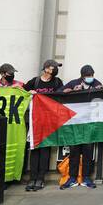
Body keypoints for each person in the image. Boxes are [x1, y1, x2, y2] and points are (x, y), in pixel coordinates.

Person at [23, 59, 62, 191]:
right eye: (53, 67)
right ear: (45, 68)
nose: (55, 70)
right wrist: (29, 93)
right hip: (35, 121)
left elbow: (62, 97)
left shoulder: (57, 82)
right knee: (34, 149)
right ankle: (32, 178)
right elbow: (22, 92)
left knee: (45, 150)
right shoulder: (35, 81)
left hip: (49, 121)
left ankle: (41, 178)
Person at [62, 65, 102, 188]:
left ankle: (86, 178)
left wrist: (100, 90)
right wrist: (70, 91)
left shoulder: (96, 83)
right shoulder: (74, 83)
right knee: (74, 151)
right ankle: (72, 177)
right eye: (87, 76)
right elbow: (59, 92)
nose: (90, 78)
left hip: (89, 124)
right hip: (75, 123)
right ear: (82, 76)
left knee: (88, 152)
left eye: (91, 75)